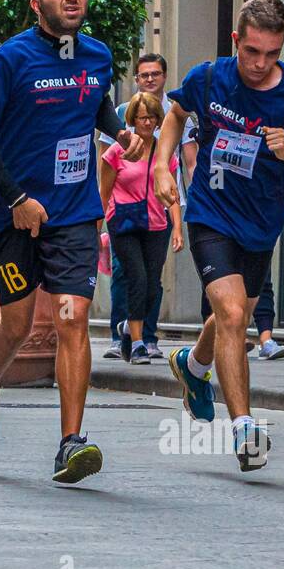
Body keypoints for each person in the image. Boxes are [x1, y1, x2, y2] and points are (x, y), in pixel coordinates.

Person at [0, 0, 142, 484]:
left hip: (75, 213)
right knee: (14, 326)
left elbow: (96, 104)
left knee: (71, 316)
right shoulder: (8, 61)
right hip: (14, 218)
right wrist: (16, 198)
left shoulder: (98, 56)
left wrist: (118, 131)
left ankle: (70, 442)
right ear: (37, 4)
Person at [155, 0, 284, 472]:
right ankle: (244, 429)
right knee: (234, 314)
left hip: (261, 223)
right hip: (210, 213)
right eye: (252, 51)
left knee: (231, 317)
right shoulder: (209, 77)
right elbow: (175, 114)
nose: (260, 64)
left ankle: (193, 366)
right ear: (236, 40)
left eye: (271, 54)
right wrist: (161, 166)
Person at [102, 53, 199, 359]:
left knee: (150, 278)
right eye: (144, 75)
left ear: (164, 76)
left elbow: (188, 162)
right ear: (136, 79)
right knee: (128, 273)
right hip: (124, 216)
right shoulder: (119, 115)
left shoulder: (178, 112)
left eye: (155, 74)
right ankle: (126, 334)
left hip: (159, 214)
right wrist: (97, 220)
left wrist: (188, 210)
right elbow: (105, 170)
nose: (150, 79)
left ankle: (146, 335)